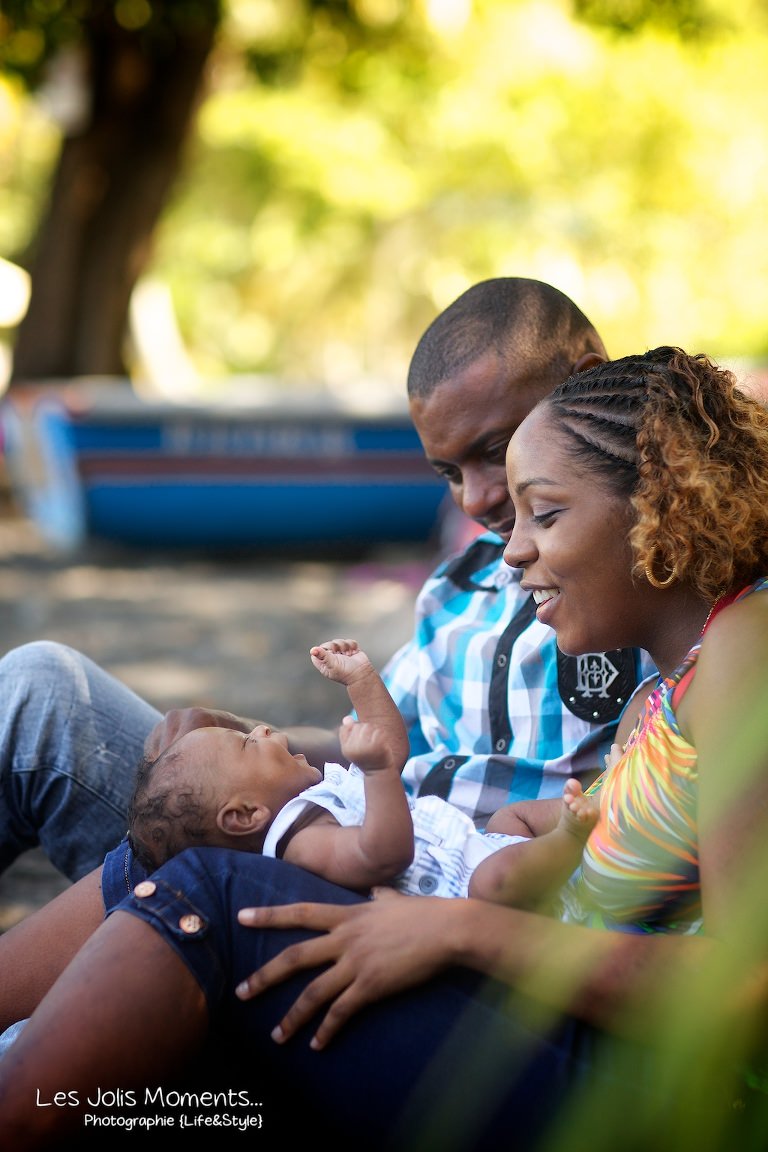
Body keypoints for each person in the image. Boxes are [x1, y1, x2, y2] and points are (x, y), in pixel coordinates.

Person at [3, 345, 768, 1152]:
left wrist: (455, 931)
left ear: (661, 505)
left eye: (545, 514)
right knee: (205, 846)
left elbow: (744, 987)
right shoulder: (664, 690)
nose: (512, 548)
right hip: (545, 1008)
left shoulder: (745, 651)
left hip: (662, 1096)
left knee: (213, 894)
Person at [0, 278, 654, 1039]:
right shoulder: (460, 583)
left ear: (582, 383)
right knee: (46, 688)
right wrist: (234, 736)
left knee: (195, 879)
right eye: (449, 473)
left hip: (440, 907)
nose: (476, 499)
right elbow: (374, 746)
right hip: (349, 826)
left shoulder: (657, 592)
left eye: (495, 452)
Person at [130, 636, 598, 906]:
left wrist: (362, 681)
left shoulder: (311, 798)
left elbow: (391, 751)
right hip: (482, 892)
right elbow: (383, 856)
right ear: (245, 815)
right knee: (496, 880)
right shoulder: (299, 843)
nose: (266, 731)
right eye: (249, 743)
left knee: (508, 818)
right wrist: (376, 774)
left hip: (487, 846)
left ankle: (608, 801)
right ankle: (573, 840)